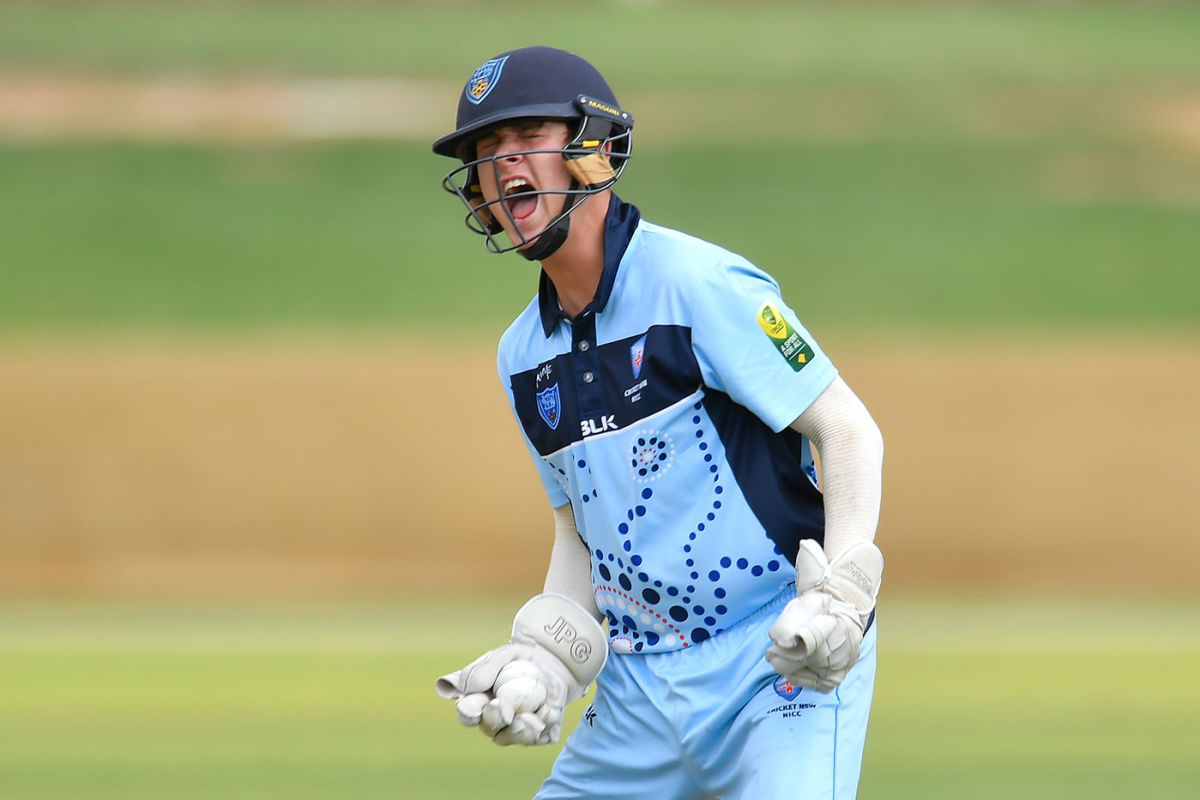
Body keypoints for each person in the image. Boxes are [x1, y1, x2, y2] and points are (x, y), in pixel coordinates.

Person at [432, 46, 885, 800]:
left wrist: (840, 599)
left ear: (594, 150)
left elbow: (846, 430)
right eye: (486, 151)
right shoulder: (521, 356)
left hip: (776, 668)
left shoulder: (699, 286)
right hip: (637, 694)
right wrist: (548, 658)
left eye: (525, 138)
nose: (503, 164)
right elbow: (580, 534)